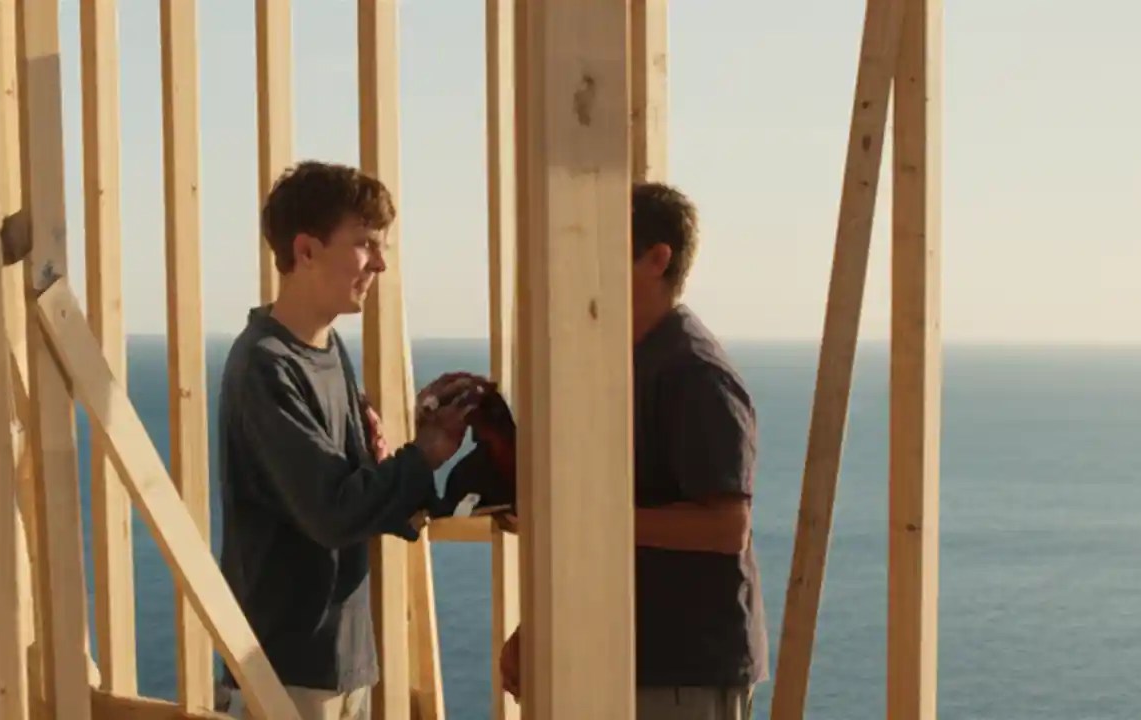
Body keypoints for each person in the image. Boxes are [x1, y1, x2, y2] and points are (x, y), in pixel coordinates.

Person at [216, 160, 482, 719]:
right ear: (306, 250)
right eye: (364, 244)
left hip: (341, 662)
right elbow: (333, 513)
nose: (379, 263)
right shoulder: (265, 365)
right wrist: (424, 454)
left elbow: (354, 495)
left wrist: (404, 456)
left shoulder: (328, 350)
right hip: (282, 671)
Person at [500, 182, 768, 718]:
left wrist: (576, 521)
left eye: (598, 245)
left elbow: (724, 529)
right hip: (627, 662)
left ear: (656, 259)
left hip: (682, 672)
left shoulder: (693, 373)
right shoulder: (629, 362)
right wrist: (541, 627)